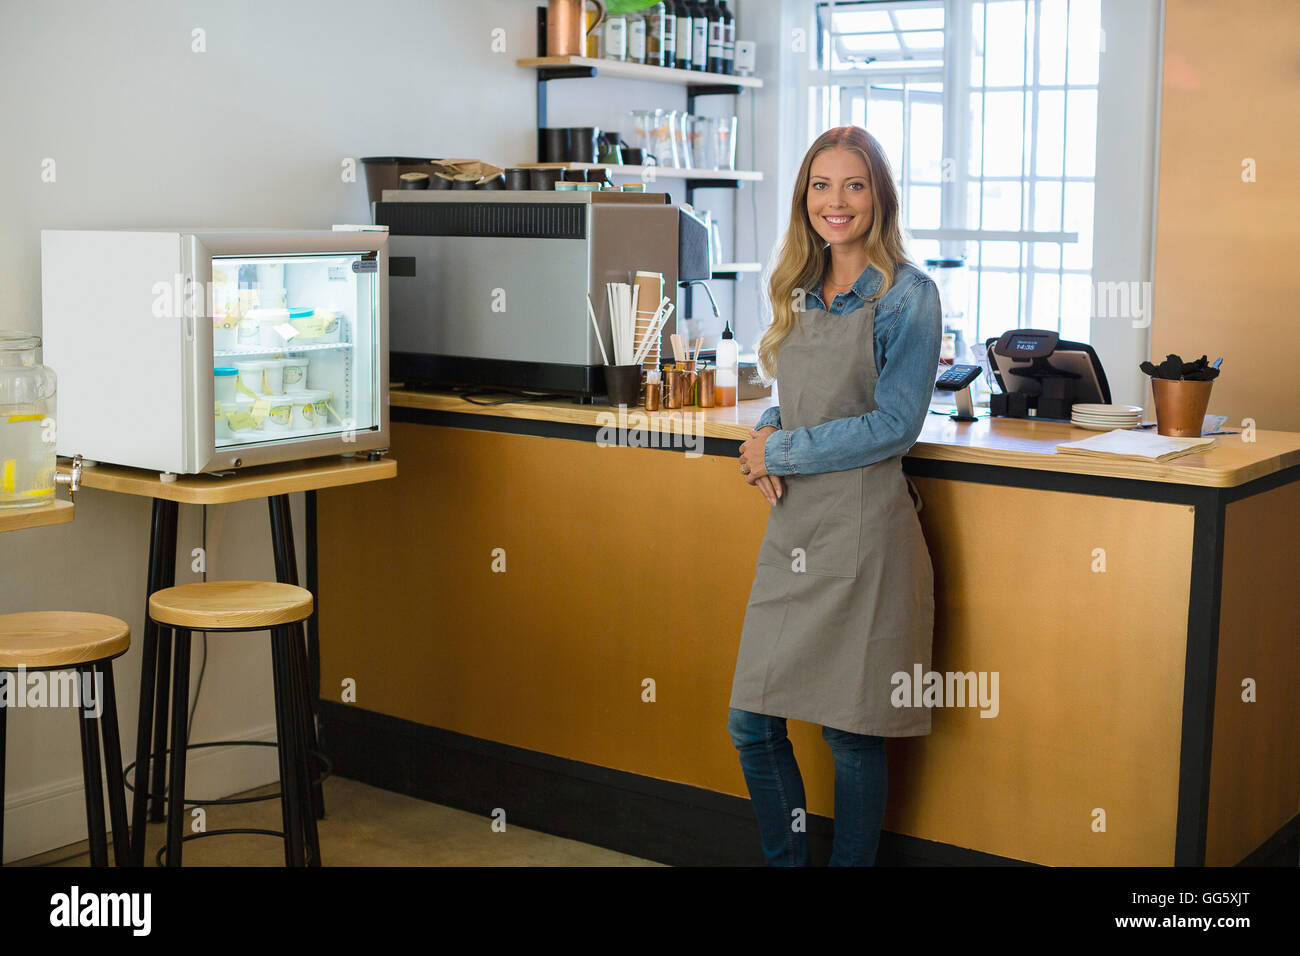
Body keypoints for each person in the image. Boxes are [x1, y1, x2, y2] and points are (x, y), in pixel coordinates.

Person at [729, 125, 942, 866]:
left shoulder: (909, 296)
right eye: (822, 185)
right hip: (795, 530)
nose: (836, 201)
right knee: (751, 724)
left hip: (864, 530)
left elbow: (894, 425)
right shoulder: (796, 286)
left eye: (854, 184)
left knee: (851, 732)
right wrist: (765, 433)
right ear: (805, 197)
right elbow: (800, 400)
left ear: (878, 195)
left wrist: (778, 448)